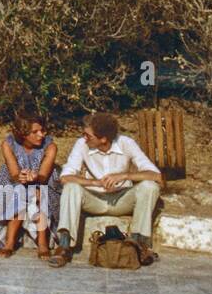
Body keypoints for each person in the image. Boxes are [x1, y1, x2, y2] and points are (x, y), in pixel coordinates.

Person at [48, 113, 162, 267]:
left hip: (122, 199)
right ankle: (64, 246)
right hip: (93, 199)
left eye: (88, 136)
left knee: (150, 186)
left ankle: (139, 244)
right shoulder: (82, 144)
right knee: (71, 188)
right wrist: (95, 182)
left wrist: (124, 175)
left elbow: (156, 176)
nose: (84, 138)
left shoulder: (126, 143)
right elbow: (65, 177)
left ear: (103, 139)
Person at [0, 111, 60, 258]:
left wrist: (35, 177)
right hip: (13, 182)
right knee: (20, 192)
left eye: (42, 130)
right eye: (35, 132)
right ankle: (9, 243)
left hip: (44, 183)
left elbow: (44, 175)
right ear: (23, 134)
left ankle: (43, 243)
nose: (41, 135)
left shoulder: (50, 146)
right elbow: (14, 173)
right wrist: (21, 177)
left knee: (40, 193)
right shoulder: (8, 144)